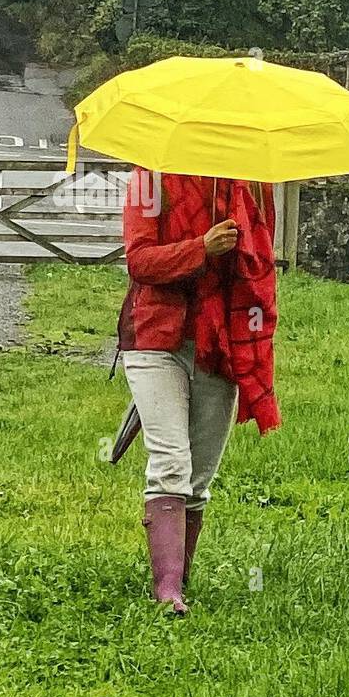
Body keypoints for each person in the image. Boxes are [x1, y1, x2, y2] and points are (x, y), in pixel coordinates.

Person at [119, 169, 280, 614]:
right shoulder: (149, 179)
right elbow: (140, 262)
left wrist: (234, 254)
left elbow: (259, 266)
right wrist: (200, 249)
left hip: (223, 341)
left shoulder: (252, 187)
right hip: (155, 337)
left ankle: (181, 580)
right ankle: (167, 591)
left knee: (199, 474)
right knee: (171, 461)